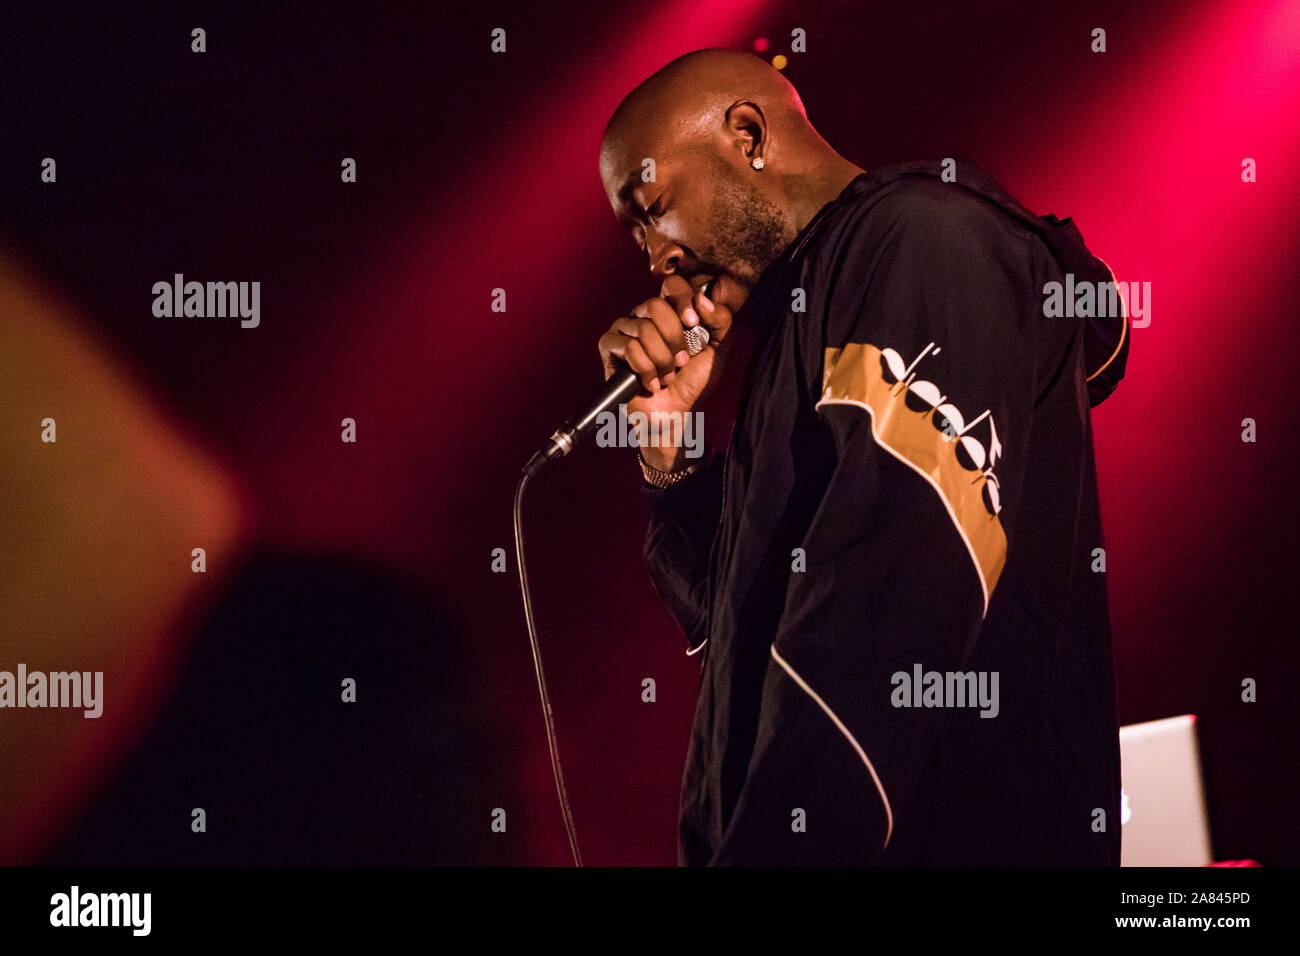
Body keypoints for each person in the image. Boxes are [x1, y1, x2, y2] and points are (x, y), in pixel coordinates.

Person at [597, 49, 1130, 865]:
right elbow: (740, 637)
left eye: (652, 206)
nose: (654, 257)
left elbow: (880, 615)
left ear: (746, 137)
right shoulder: (797, 336)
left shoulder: (921, 241)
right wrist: (670, 457)